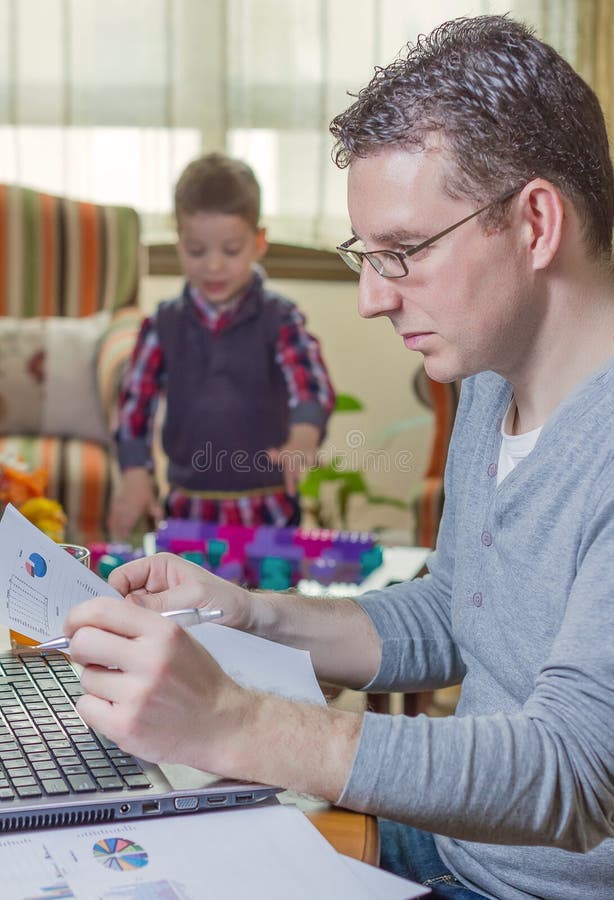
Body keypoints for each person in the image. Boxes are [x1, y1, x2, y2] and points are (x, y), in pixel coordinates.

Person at [66, 16, 614, 900]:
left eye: (402, 252)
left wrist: (233, 720)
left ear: (536, 222)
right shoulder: (490, 378)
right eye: (368, 256)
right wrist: (246, 613)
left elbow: (573, 774)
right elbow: (450, 614)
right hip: (450, 845)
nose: (369, 299)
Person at [108, 152, 335, 538]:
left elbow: (310, 382)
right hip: (188, 505)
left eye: (230, 251)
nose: (213, 266)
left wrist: (303, 436)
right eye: (197, 251)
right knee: (186, 595)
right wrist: (134, 473)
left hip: (268, 507)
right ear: (180, 245)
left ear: (259, 242)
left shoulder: (280, 319)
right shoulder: (162, 325)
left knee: (268, 598)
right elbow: (134, 407)